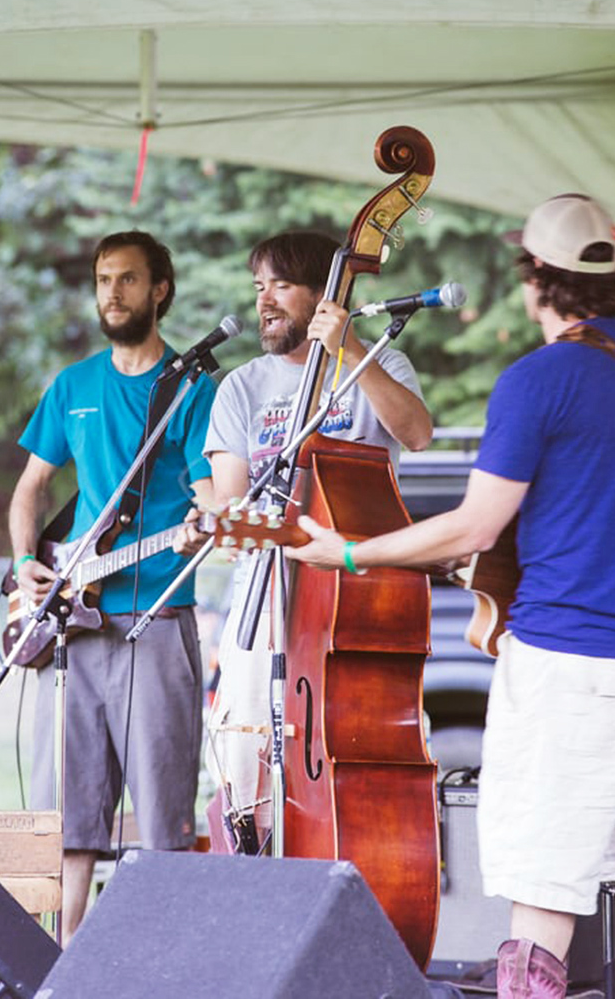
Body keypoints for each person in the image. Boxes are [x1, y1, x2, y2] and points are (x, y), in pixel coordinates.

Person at [284, 195, 615, 998]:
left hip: (568, 664)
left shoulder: (539, 380)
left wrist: (349, 550)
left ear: (533, 278)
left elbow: (474, 526)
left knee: (542, 888)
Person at [184, 229, 433, 851]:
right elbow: (233, 501)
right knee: (243, 755)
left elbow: (418, 433)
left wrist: (349, 348)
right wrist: (224, 522)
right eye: (258, 285)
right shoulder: (241, 386)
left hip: (357, 594)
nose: (265, 300)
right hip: (266, 594)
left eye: (282, 285)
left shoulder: (378, 360)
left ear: (325, 293)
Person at [8, 231, 216, 944]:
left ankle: (154, 964)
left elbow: (213, 493)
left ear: (160, 289)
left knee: (162, 818)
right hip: (70, 624)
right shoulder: (73, 385)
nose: (111, 294)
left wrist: (207, 521)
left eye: (127, 280)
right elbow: (31, 488)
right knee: (55, 809)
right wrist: (23, 561)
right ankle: (49, 960)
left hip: (155, 620)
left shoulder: (194, 387)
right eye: (103, 280)